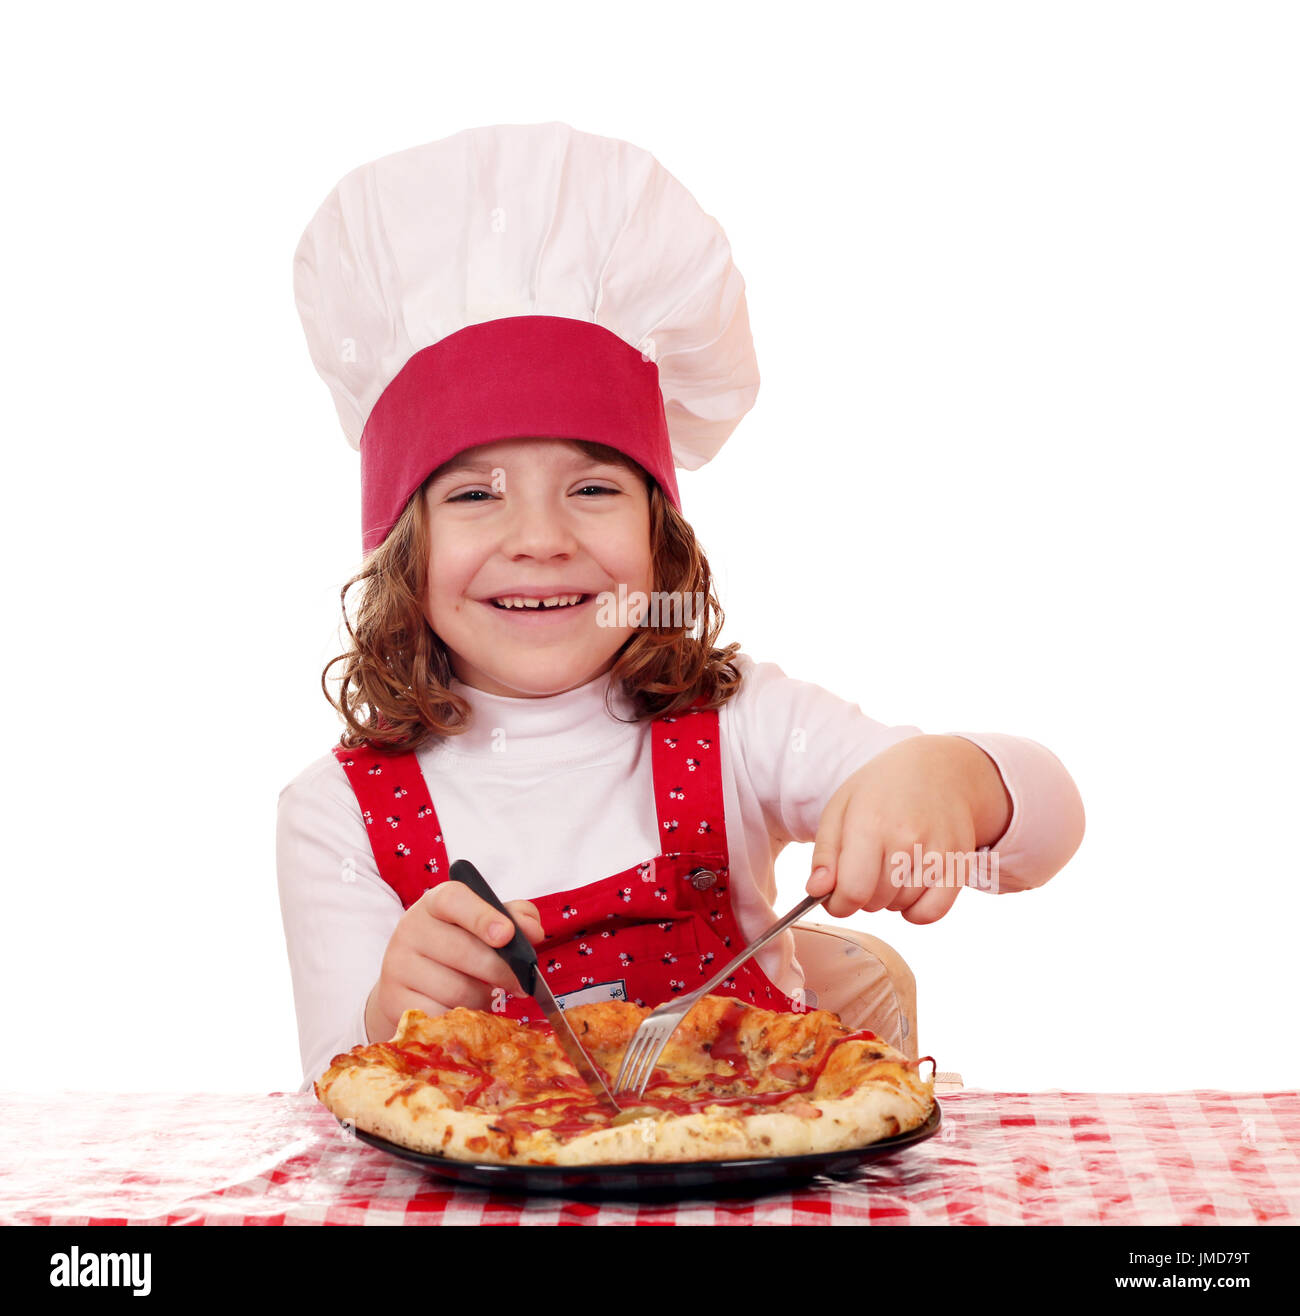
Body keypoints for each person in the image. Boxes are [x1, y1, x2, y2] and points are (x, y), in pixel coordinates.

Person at [277, 122, 1085, 1094]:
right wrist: (394, 1014)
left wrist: (949, 781)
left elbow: (1043, 826)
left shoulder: (740, 724)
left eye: (592, 488)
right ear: (402, 549)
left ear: (662, 534)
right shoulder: (337, 814)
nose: (539, 536)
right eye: (475, 493)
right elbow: (339, 1105)